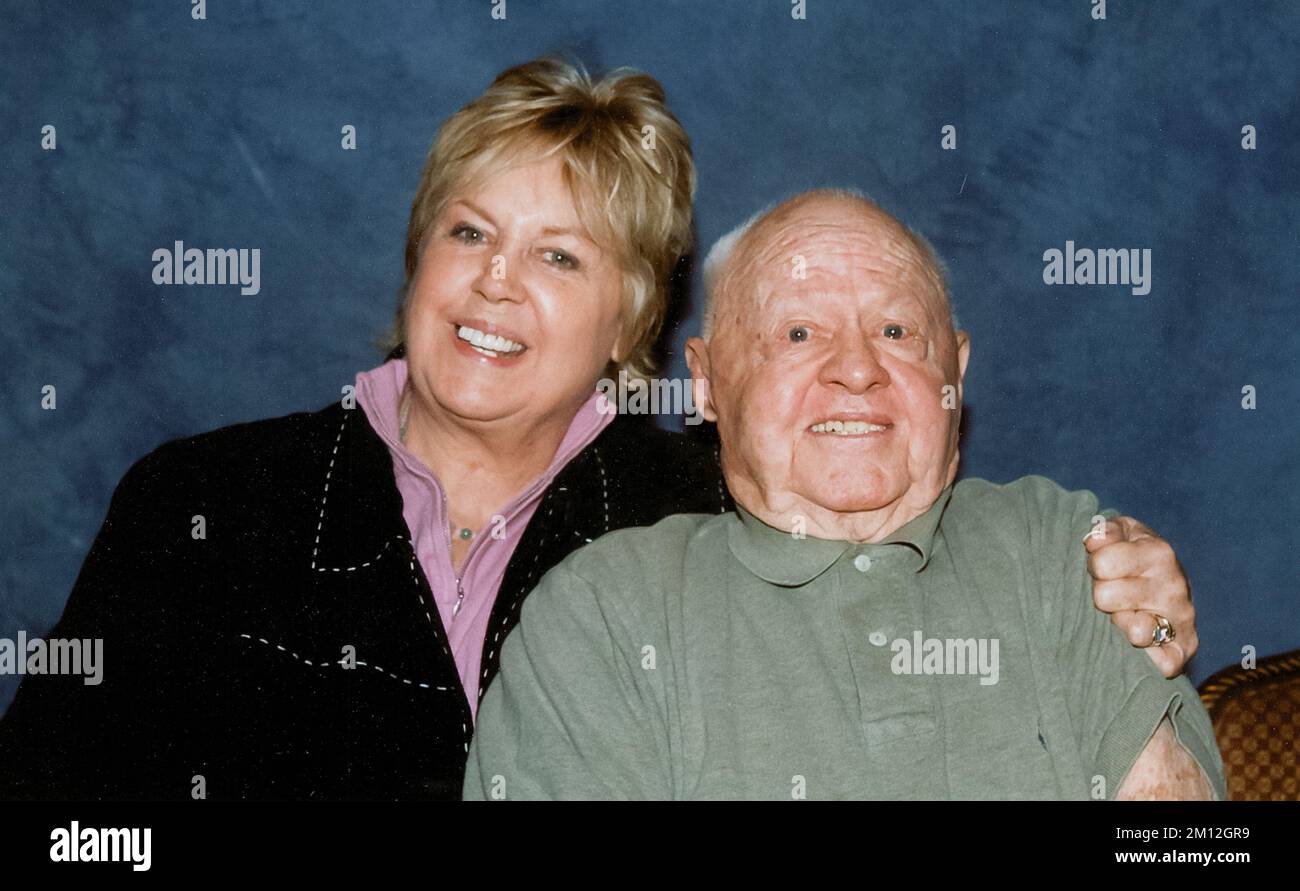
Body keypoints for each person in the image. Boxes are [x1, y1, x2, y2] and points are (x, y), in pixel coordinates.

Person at [1, 60, 1194, 801]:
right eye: (469, 234)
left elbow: (909, 569)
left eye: (559, 256)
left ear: (630, 318)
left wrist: (1113, 577)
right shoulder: (207, 499)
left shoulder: (699, 505)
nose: (496, 285)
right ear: (419, 257)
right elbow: (54, 813)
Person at [463, 189, 1224, 800]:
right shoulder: (602, 616)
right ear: (707, 381)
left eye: (896, 330)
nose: (857, 369)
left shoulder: (1065, 550)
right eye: (798, 334)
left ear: (955, 373)